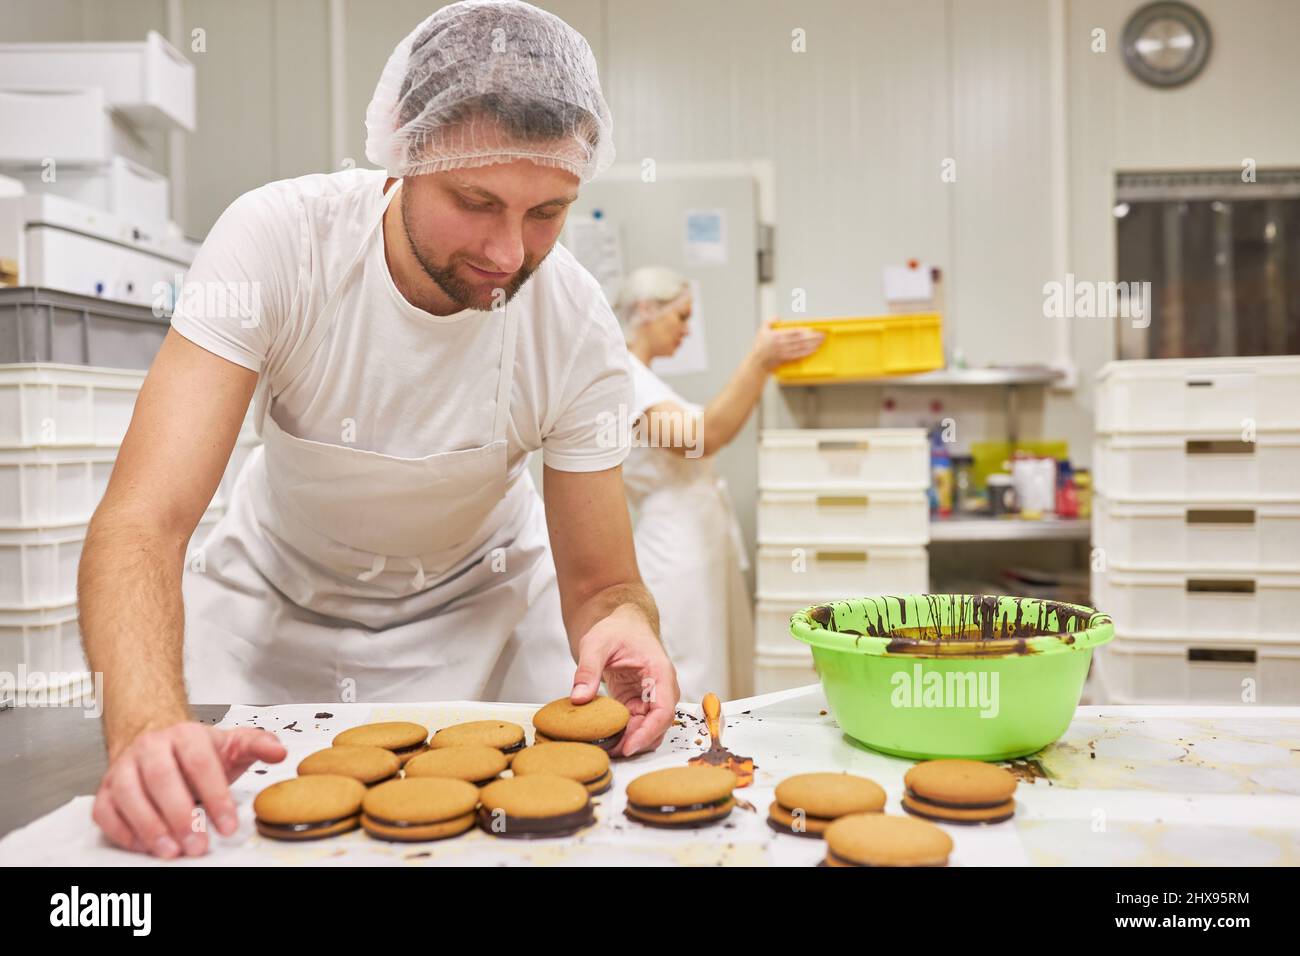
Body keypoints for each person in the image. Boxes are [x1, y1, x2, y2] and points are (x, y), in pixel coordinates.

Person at [77, 1, 678, 859]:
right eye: (477, 201)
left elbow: (601, 586)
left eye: (548, 210)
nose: (510, 253)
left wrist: (626, 623)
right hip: (271, 616)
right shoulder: (278, 243)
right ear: (400, 152)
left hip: (485, 623)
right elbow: (143, 520)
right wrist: (144, 727)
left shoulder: (574, 322)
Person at [614, 267, 823, 700]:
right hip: (675, 546)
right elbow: (701, 437)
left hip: (699, 538)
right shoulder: (625, 378)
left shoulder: (646, 378)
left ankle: (717, 756)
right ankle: (688, 760)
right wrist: (759, 361)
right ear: (647, 311)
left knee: (715, 659)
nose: (688, 330)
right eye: (682, 316)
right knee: (692, 666)